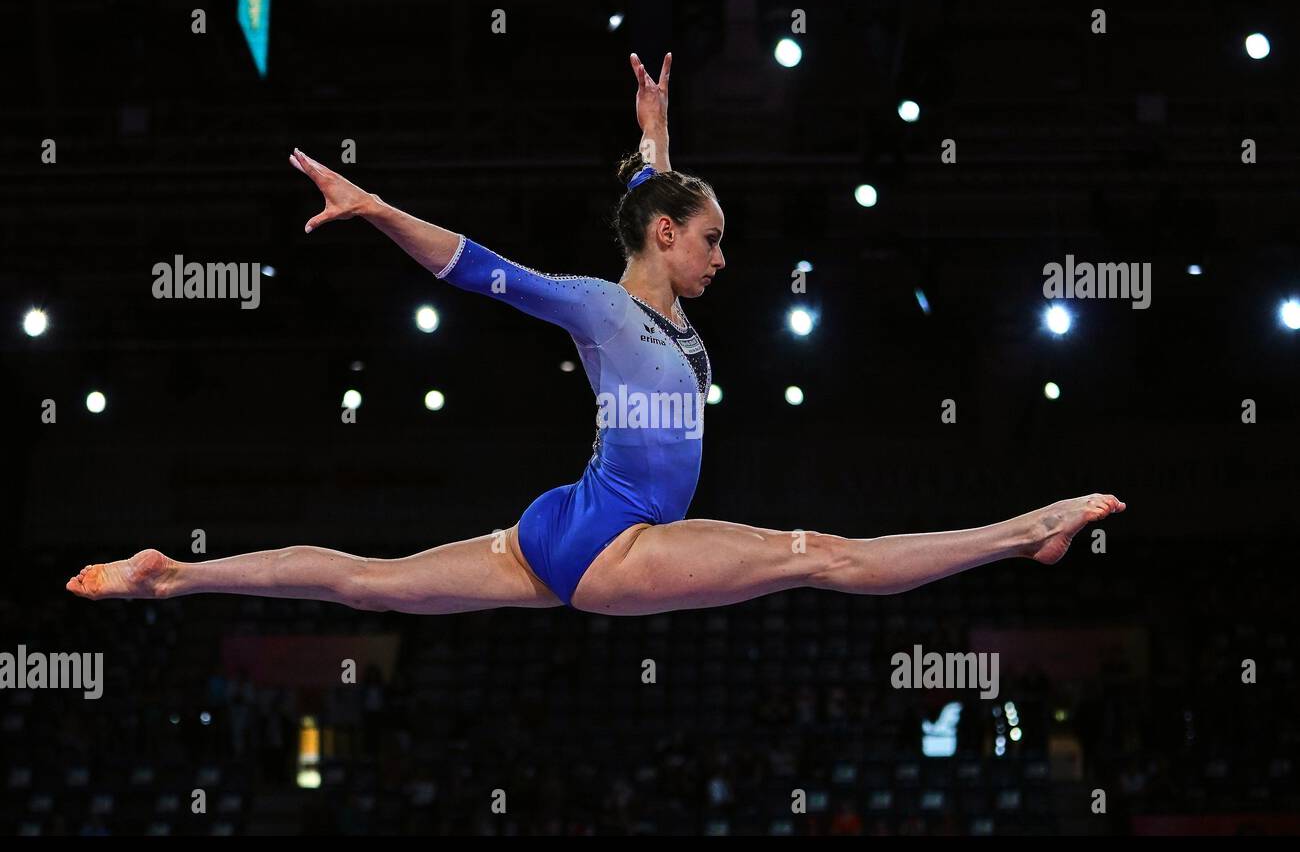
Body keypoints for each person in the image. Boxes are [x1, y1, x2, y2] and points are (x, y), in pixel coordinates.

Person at [67, 54, 1125, 616]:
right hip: (615, 543)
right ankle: (1023, 529)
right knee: (823, 558)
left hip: (560, 526)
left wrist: (656, 132)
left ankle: (173, 576)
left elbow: (641, 196)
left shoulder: (650, 292)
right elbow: (472, 265)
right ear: (667, 238)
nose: (723, 261)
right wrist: (377, 206)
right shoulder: (596, 303)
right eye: (711, 241)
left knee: (369, 580)